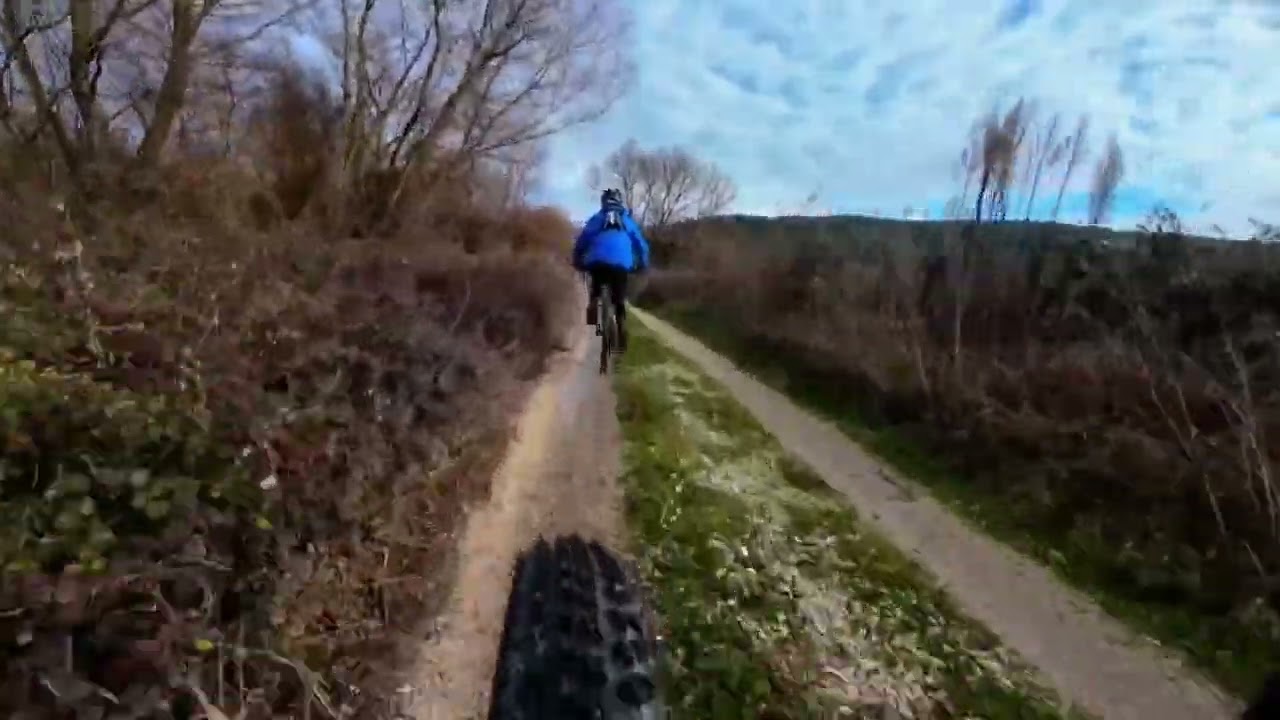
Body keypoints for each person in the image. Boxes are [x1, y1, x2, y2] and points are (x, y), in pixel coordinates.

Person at [572, 188, 650, 352]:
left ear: (603, 202)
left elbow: (582, 240)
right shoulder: (627, 220)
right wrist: (642, 263)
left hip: (597, 262)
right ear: (619, 202)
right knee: (619, 299)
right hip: (621, 265)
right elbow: (640, 244)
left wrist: (577, 259)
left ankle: (594, 302)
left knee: (596, 284)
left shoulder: (597, 218)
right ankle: (621, 336)